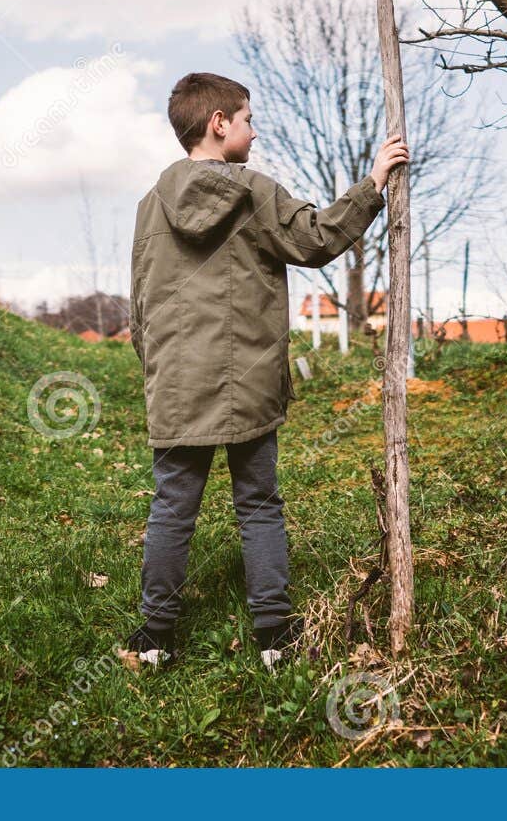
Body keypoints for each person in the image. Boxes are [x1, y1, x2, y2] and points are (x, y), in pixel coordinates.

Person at [126, 71, 409, 670]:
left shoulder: (151, 204)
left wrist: (158, 369)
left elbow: (139, 305)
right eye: (248, 120)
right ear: (218, 124)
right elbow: (317, 240)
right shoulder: (252, 192)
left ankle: (154, 637)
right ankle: (275, 637)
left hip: (175, 385)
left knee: (172, 506)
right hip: (248, 383)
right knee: (257, 503)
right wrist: (373, 185)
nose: (254, 133)